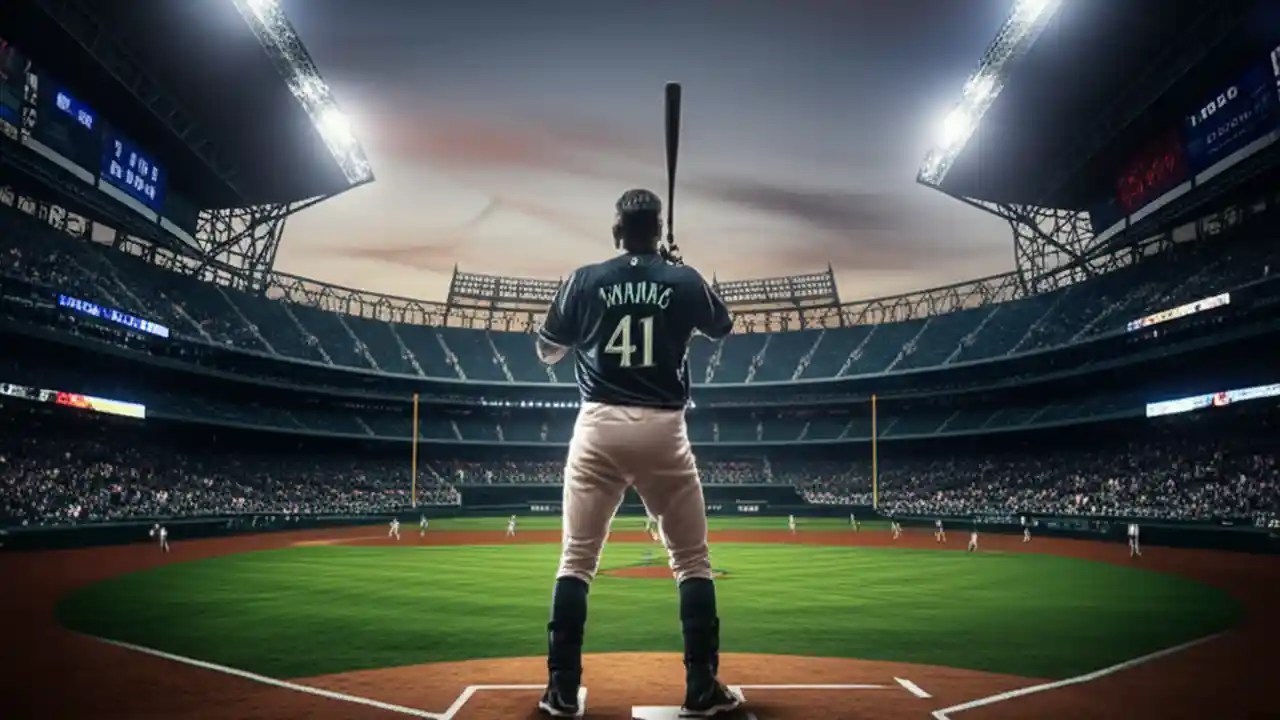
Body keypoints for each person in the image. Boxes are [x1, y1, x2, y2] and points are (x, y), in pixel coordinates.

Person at [532, 189, 740, 718]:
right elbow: (723, 326)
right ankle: (700, 687)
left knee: (576, 559)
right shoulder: (683, 278)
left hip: (597, 426)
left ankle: (561, 690)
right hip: (663, 428)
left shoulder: (585, 278)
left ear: (617, 232)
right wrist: (676, 270)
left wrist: (586, 332)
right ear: (657, 228)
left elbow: (547, 350)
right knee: (691, 560)